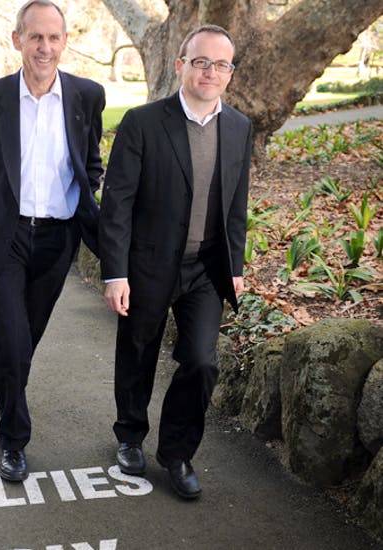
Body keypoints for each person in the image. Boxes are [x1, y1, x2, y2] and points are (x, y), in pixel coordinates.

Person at [99, 24, 251, 499]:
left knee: (202, 362)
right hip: (148, 264)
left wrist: (236, 267)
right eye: (201, 62)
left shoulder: (239, 127)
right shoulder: (144, 122)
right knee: (138, 352)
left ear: (230, 72)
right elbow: (117, 204)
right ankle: (130, 436)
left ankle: (177, 453)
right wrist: (116, 273)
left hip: (205, 268)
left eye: (221, 64)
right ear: (181, 64)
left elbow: (236, 204)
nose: (210, 72)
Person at [0, 0, 105, 482]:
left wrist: (87, 199)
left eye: (53, 37)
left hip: (58, 238)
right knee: (14, 335)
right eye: (35, 36)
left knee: (25, 336)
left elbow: (90, 162)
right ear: (17, 39)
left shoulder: (88, 95)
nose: (45, 47)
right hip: (6, 236)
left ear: (65, 42)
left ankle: (6, 377)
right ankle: (13, 441)